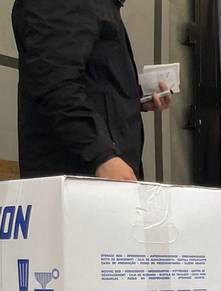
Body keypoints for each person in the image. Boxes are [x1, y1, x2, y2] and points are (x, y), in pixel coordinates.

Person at [13, 0, 173, 180]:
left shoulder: (98, 6)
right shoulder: (69, 4)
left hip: (94, 177)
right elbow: (56, 86)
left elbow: (90, 81)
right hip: (77, 180)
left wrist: (135, 98)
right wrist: (102, 156)